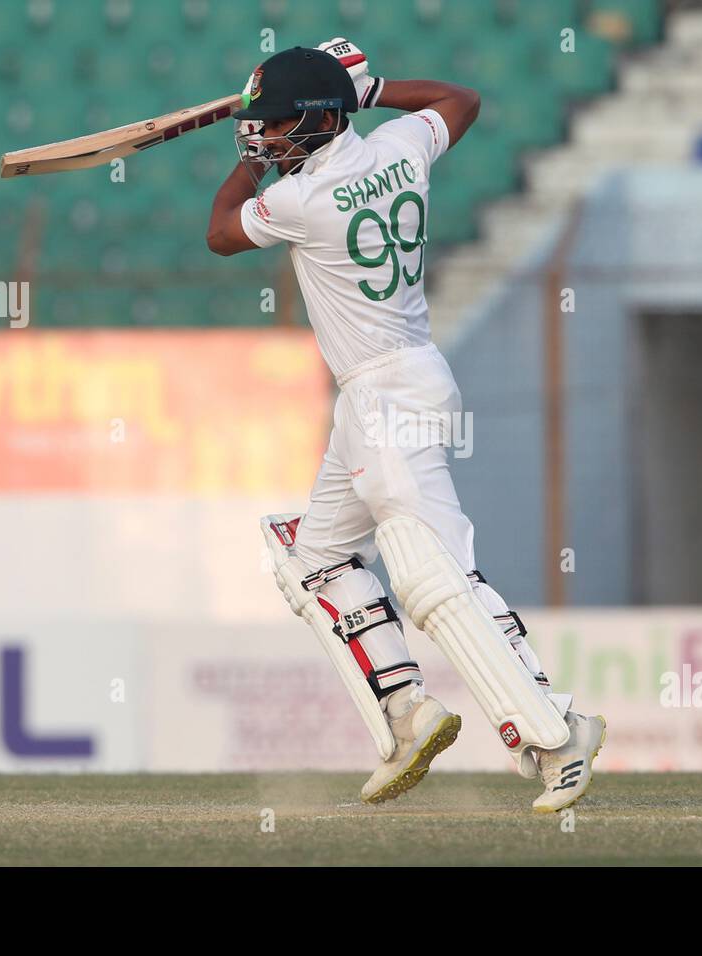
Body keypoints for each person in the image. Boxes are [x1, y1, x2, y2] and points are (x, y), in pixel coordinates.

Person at [207, 40, 605, 813]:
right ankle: (407, 712)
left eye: (277, 127)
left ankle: (558, 731)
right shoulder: (400, 145)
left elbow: (220, 232)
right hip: (392, 388)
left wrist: (250, 166)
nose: (263, 139)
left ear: (322, 120)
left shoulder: (301, 199)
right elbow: (461, 100)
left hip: (387, 397)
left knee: (432, 574)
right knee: (312, 556)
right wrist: (378, 87)